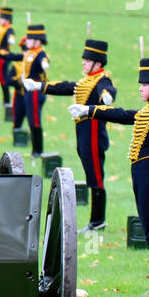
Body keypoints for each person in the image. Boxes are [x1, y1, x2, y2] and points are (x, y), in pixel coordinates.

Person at [75, 57, 149, 295]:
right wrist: (90, 110)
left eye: (145, 84)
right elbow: (122, 114)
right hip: (144, 173)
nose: (140, 88)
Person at [30, 38, 116, 230]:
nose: (84, 63)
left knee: (95, 177)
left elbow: (108, 90)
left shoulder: (102, 80)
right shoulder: (86, 81)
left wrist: (107, 97)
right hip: (83, 133)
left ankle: (97, 220)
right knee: (91, 174)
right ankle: (97, 220)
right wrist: (40, 86)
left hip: (94, 134)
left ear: (98, 63)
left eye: (87, 60)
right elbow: (66, 86)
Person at [0, 23, 49, 156]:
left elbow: (43, 59)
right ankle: (34, 149)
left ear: (37, 41)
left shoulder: (38, 54)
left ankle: (38, 150)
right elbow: (12, 56)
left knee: (34, 121)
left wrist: (45, 63)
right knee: (29, 121)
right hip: (26, 92)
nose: (27, 42)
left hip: (35, 91)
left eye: (30, 39)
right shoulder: (28, 55)